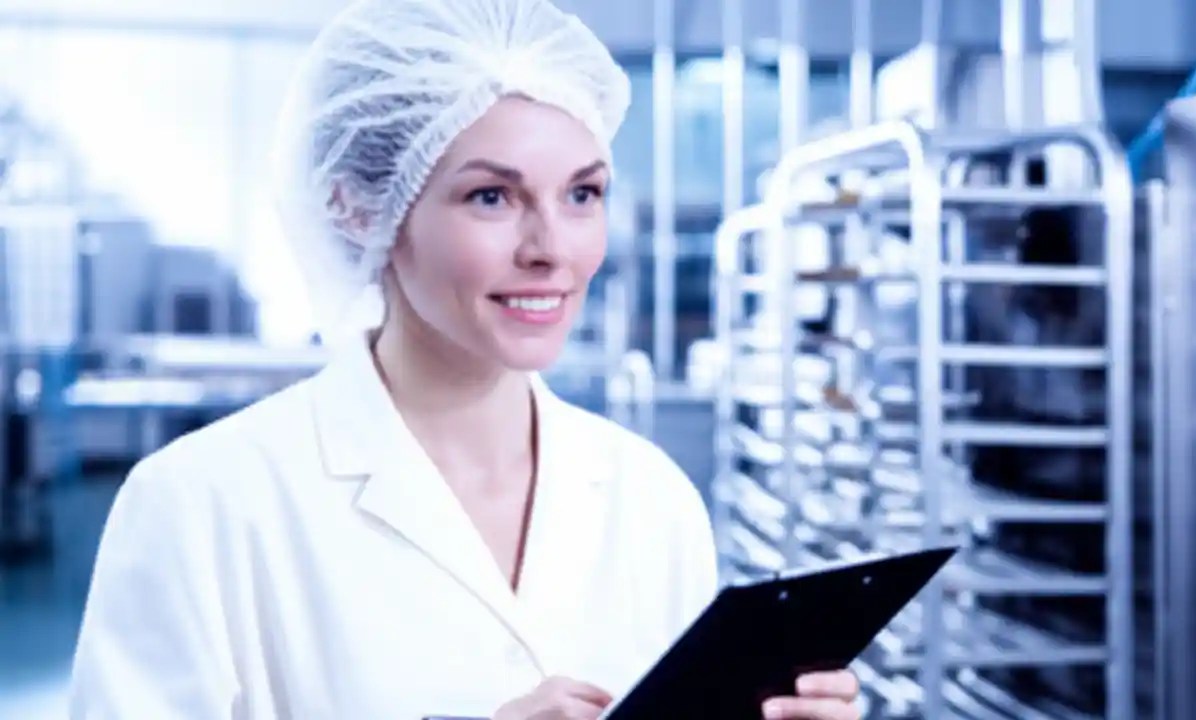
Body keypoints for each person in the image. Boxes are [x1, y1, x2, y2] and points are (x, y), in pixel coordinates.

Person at [68, 1, 862, 718]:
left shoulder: (652, 499)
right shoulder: (205, 503)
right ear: (360, 206)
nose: (553, 249)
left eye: (582, 194)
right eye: (492, 197)